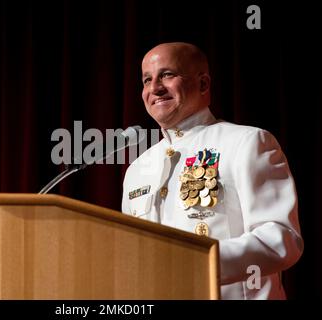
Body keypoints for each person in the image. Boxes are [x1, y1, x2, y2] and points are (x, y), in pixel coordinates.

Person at [121, 42, 304, 299]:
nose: (155, 88)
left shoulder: (246, 142)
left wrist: (197, 261)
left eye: (167, 75)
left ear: (204, 84)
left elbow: (281, 238)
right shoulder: (138, 169)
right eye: (147, 79)